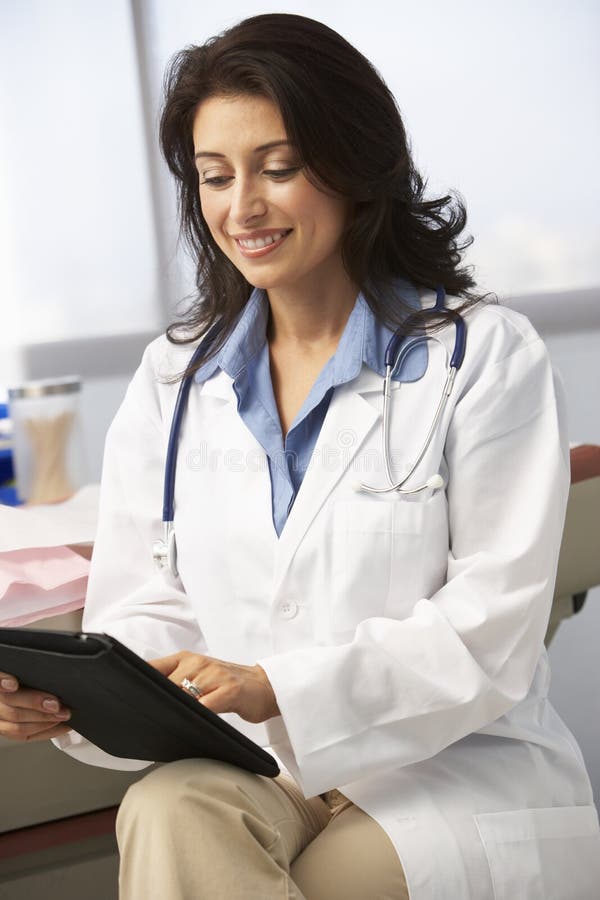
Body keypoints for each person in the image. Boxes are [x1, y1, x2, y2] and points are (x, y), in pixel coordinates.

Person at [1, 12, 599, 899]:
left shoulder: (483, 357)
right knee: (166, 810)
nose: (242, 207)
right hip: (259, 763)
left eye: (277, 169)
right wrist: (75, 699)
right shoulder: (175, 377)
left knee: (315, 881)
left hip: (446, 770)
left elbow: (490, 630)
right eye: (215, 176)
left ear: (355, 166)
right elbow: (148, 601)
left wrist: (273, 685)